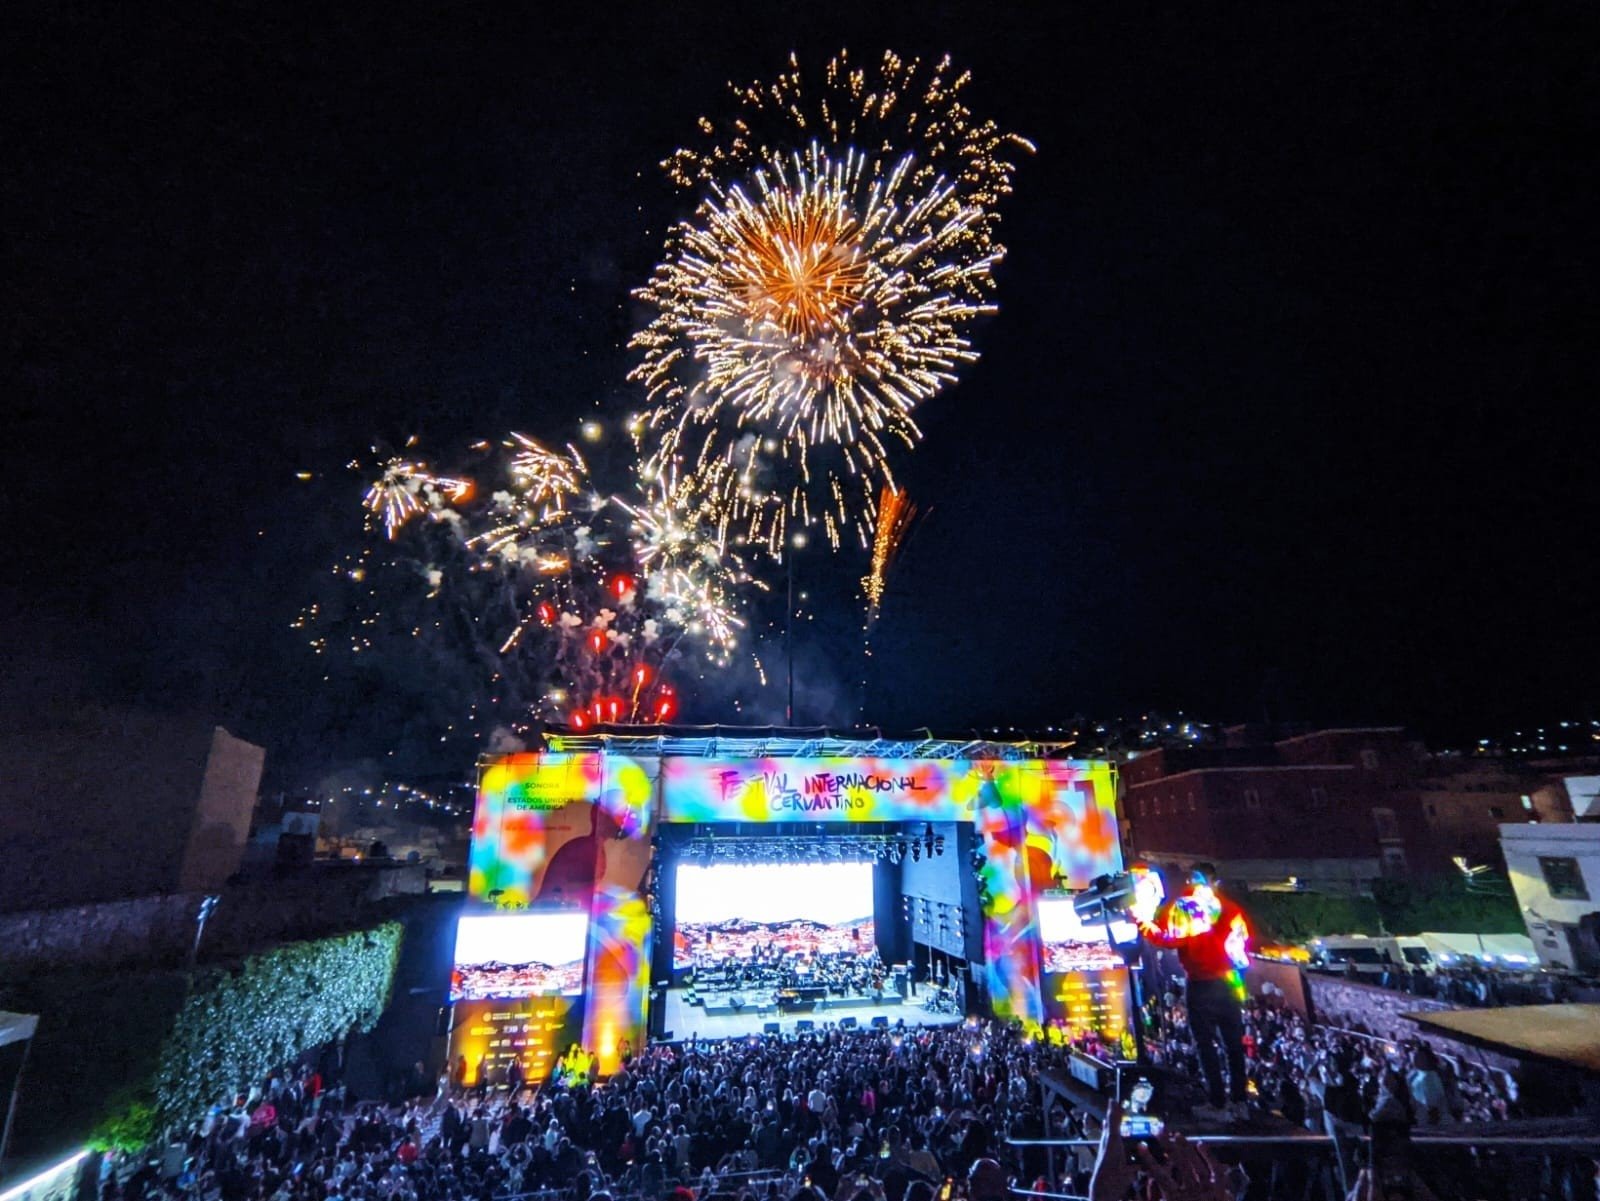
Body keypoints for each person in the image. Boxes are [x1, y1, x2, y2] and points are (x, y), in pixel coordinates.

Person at [1135, 863, 1252, 1123]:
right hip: (1230, 982)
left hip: (1201, 984)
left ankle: (1218, 1104)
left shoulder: (1187, 909)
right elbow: (1240, 951)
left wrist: (1141, 921)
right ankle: (1240, 1104)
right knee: (1233, 1046)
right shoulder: (1232, 910)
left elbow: (1167, 939)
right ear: (1216, 882)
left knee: (1206, 1047)